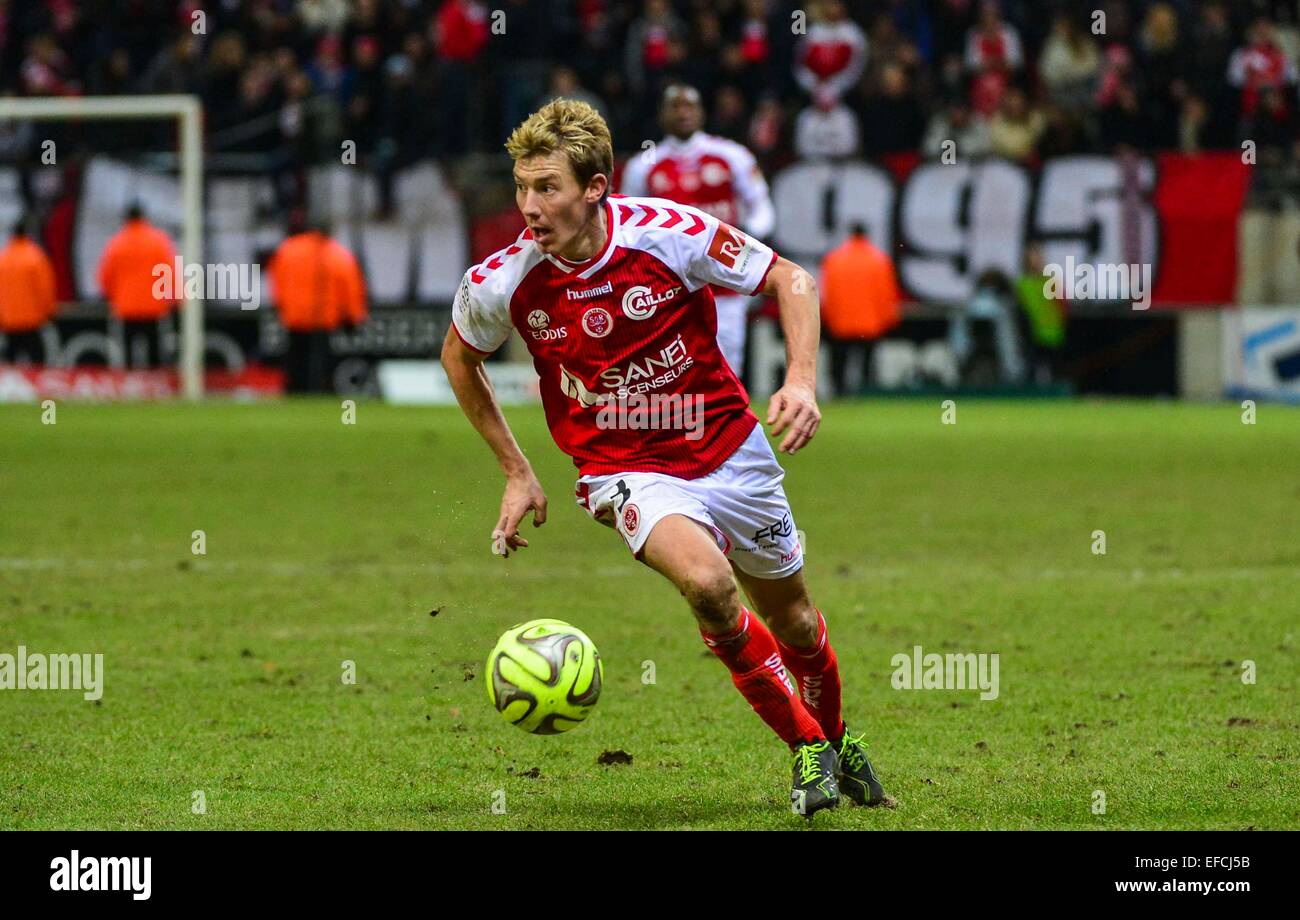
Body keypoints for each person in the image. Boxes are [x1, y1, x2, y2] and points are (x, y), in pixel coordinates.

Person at [442, 98, 891, 817]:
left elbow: (793, 279)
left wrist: (801, 382)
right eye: (522, 187)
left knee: (798, 623)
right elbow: (460, 358)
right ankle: (808, 747)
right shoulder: (503, 279)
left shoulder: (667, 235)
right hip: (625, 469)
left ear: (596, 187)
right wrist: (516, 469)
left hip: (730, 448)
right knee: (710, 587)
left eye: (547, 187)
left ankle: (837, 743)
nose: (529, 205)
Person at [619, 83, 775, 380]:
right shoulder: (644, 166)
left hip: (724, 280)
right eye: (675, 107)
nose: (683, 113)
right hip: (668, 284)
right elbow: (627, 223)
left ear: (701, 112)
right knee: (675, 366)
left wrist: (747, 242)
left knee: (728, 364)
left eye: (689, 106)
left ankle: (729, 423)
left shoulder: (731, 155)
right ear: (662, 114)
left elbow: (763, 209)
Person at [267, 217, 368, 394]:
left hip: (295, 318)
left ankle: (294, 394)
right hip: (323, 319)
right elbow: (350, 287)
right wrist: (354, 316)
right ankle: (318, 392)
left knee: (295, 361)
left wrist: (281, 305)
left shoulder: (289, 249)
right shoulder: (338, 254)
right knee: (320, 363)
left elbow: (277, 279)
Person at [819, 224, 901, 396]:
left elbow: (827, 294)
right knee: (866, 363)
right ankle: (865, 392)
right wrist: (887, 319)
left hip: (841, 323)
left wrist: (829, 319)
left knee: (839, 362)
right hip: (869, 324)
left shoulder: (834, 259)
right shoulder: (879, 260)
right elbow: (886, 294)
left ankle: (839, 393)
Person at [97, 203, 179, 368]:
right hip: (153, 308)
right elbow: (168, 272)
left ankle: (131, 387)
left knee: (127, 357)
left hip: (126, 308)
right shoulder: (158, 241)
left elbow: (105, 277)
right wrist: (174, 300)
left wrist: (112, 297)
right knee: (155, 356)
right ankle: (155, 388)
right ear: (144, 217)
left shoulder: (116, 243)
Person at [0, 221, 58, 365]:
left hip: (9, 321)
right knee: (38, 362)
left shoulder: (3, 259)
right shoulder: (35, 257)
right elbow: (45, 288)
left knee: (10, 364)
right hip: (32, 321)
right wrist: (48, 311)